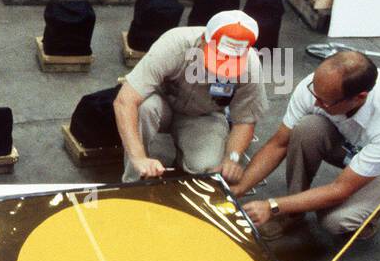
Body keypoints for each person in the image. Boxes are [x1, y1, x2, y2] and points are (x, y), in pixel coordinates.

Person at [230, 50, 380, 240]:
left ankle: (371, 212)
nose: (316, 103)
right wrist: (238, 189)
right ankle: (293, 213)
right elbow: (278, 144)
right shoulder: (318, 87)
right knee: (307, 127)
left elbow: (341, 189)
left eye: (325, 102)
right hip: (351, 142)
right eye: (315, 94)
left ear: (360, 97)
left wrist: (272, 205)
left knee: (334, 221)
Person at [115, 10, 268, 184]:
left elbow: (245, 119)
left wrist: (232, 158)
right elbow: (124, 101)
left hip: (203, 115)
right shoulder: (174, 44)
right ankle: (133, 182)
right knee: (145, 108)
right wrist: (138, 158)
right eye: (218, 58)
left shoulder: (251, 66)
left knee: (206, 167)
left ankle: (183, 159)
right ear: (204, 39)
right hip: (161, 104)